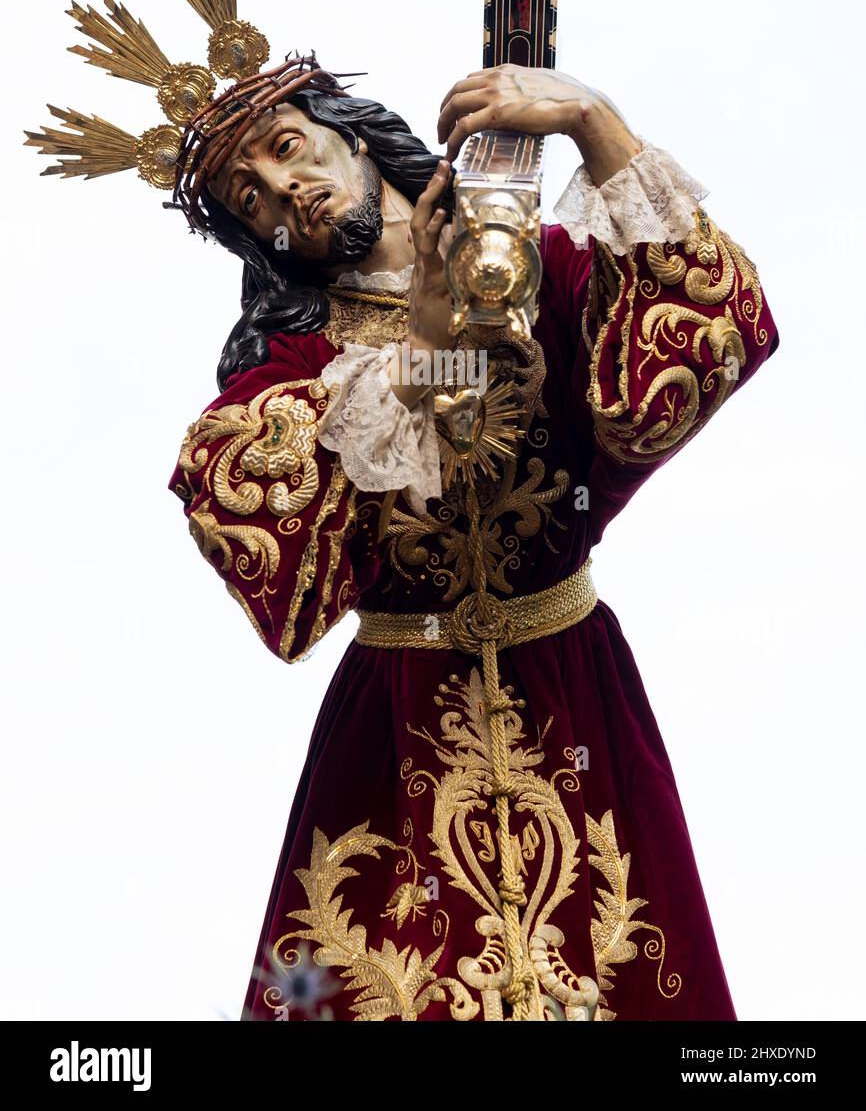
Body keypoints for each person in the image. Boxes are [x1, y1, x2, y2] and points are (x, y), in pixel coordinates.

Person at [166, 58, 779, 1023]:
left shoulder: (535, 263)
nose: (287, 190)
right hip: (401, 733)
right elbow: (265, 546)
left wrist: (591, 120)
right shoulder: (296, 365)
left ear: (353, 138)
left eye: (289, 149)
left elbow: (705, 336)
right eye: (251, 198)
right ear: (261, 240)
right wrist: (418, 353)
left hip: (573, 700)